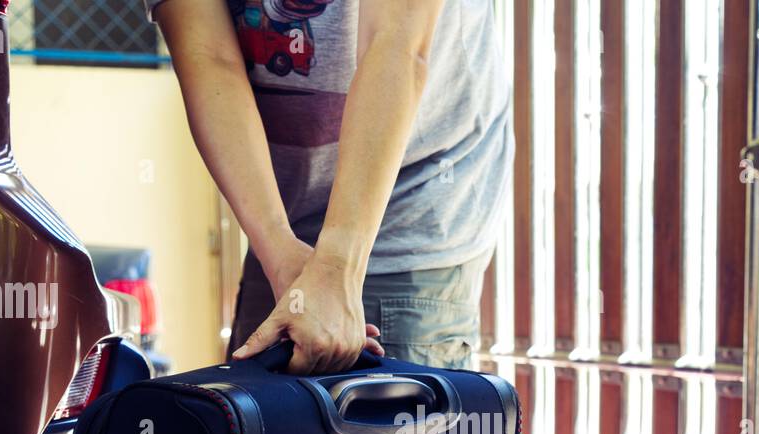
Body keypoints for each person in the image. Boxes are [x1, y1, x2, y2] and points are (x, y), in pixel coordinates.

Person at [147, 0, 512, 374]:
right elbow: (211, 59)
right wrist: (279, 252)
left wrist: (338, 266)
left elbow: (395, 44)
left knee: (388, 408)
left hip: (411, 209)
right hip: (279, 220)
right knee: (259, 404)